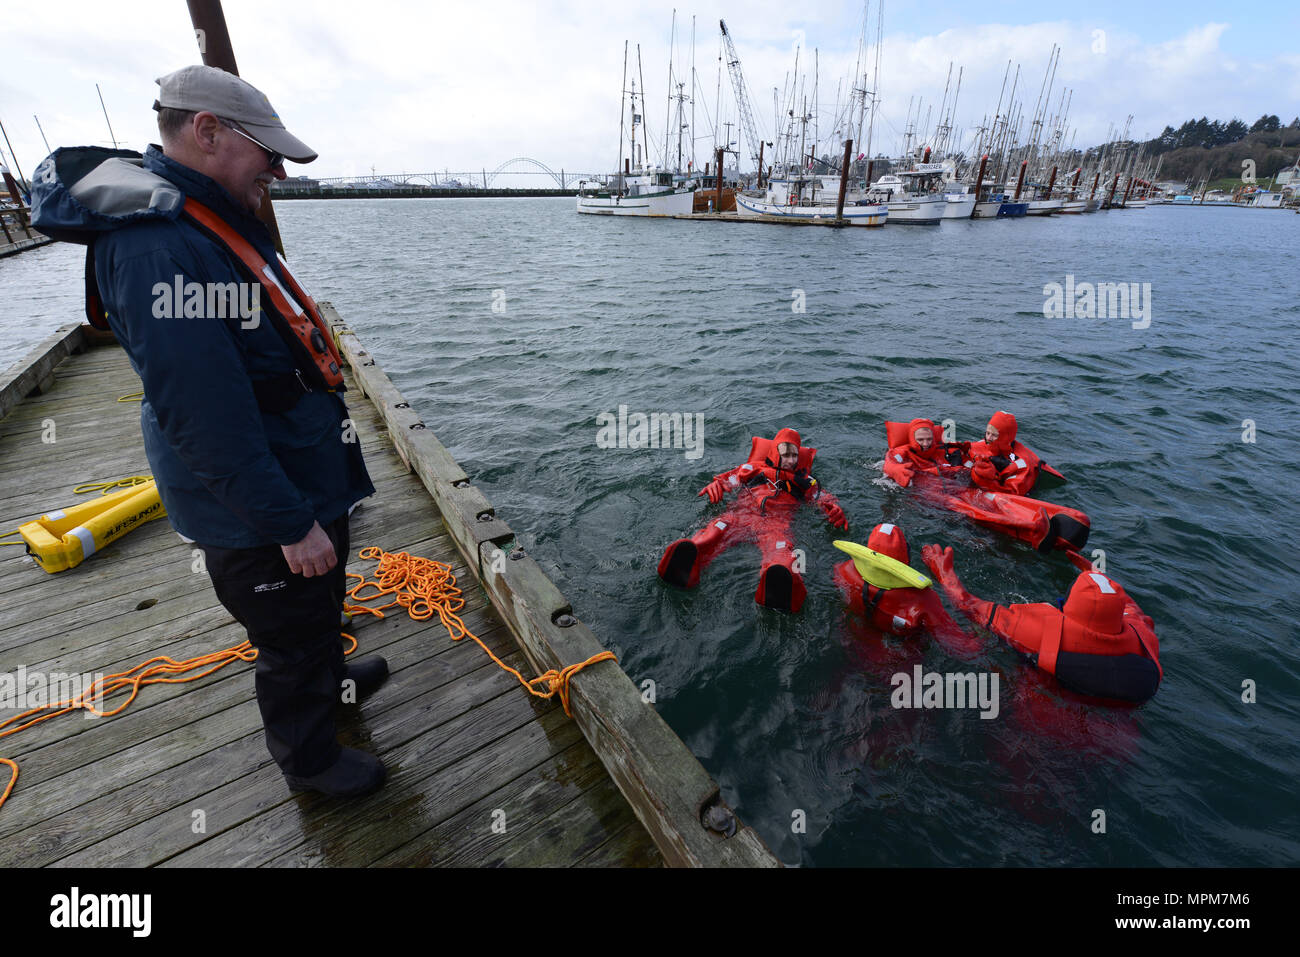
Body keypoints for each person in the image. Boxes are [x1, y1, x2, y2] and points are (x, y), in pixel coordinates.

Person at [30, 65, 387, 797]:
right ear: (208, 131)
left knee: (315, 608)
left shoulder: (201, 215)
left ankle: (332, 678)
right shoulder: (155, 246)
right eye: (266, 149)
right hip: (258, 503)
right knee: (287, 630)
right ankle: (311, 760)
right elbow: (203, 416)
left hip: (298, 459)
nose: (278, 168)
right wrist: (288, 521)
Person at [921, 544, 1162, 702]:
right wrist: (1098, 577)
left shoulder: (1033, 631)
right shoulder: (1143, 636)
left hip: (1043, 716)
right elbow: (1132, 609)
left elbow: (967, 605)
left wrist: (943, 572)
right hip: (1119, 737)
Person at [658, 428, 848, 612]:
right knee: (716, 529)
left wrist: (834, 509)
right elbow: (729, 480)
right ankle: (692, 553)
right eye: (786, 454)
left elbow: (823, 498)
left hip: (776, 524)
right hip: (741, 515)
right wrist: (716, 484)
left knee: (780, 552)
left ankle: (779, 582)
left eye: (794, 455)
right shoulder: (751, 469)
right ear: (775, 452)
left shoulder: (806, 482)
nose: (790, 460)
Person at [832, 522, 982, 658]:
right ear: (906, 556)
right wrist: (982, 627)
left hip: (854, 647)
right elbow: (965, 648)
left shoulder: (843, 570)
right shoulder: (923, 600)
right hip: (898, 662)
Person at [966, 411, 1040, 495]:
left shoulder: (1021, 463)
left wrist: (984, 480)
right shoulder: (980, 445)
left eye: (994, 435)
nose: (988, 438)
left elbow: (1012, 493)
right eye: (987, 433)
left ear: (1005, 437)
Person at [881, 417, 968, 487]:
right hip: (922, 491)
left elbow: (964, 470)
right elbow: (889, 461)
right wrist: (894, 469)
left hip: (951, 487)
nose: (925, 444)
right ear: (912, 438)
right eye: (920, 440)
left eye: (929, 439)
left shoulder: (948, 452)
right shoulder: (903, 451)